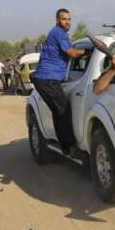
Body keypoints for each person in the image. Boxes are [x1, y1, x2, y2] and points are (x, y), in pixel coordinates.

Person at [32, 8, 87, 156]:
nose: (67, 22)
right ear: (57, 20)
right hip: (48, 80)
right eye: (64, 19)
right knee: (63, 111)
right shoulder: (59, 33)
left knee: (58, 112)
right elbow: (71, 53)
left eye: (69, 19)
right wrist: (87, 51)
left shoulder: (57, 33)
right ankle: (70, 148)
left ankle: (66, 148)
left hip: (45, 79)